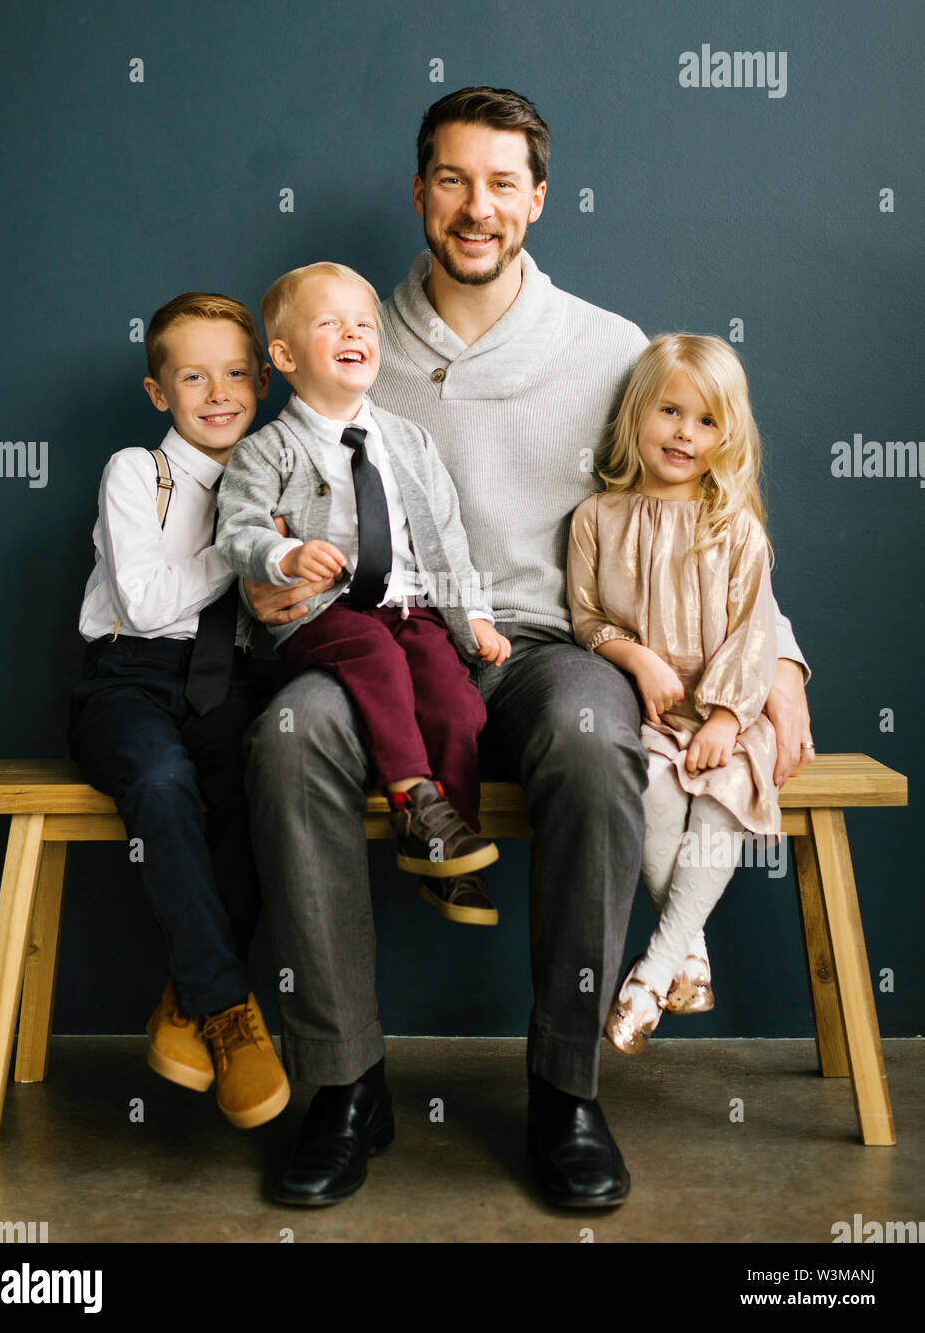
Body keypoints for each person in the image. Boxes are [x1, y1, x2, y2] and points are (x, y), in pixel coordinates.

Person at [240, 88, 815, 1209]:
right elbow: (257, 491)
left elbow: (695, 507)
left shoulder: (604, 346)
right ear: (418, 192)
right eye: (451, 179)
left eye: (502, 183)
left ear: (537, 200)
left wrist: (781, 659)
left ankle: (567, 1088)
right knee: (284, 731)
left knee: (597, 733)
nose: (475, 206)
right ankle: (344, 1085)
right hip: (383, 640)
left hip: (550, 645)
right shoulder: (345, 337)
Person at [215, 261, 510, 930]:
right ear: (285, 355)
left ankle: (451, 848)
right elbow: (238, 530)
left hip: (411, 605)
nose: (356, 333)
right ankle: (413, 803)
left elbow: (448, 540)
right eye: (331, 324)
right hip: (326, 612)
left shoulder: (409, 441)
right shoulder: (267, 453)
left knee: (456, 700)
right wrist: (285, 555)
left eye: (365, 323)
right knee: (374, 654)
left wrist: (477, 616)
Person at [67, 292, 290, 1130]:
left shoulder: (277, 473)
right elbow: (153, 602)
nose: (219, 391)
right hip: (129, 678)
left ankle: (188, 999)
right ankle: (232, 1015)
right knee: (161, 781)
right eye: (193, 377)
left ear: (264, 379)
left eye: (236, 372)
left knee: (257, 783)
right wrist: (246, 548)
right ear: (161, 393)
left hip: (230, 681)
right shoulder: (137, 471)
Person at [567, 333, 783, 1053]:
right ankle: (689, 956)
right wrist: (636, 660)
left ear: (728, 435)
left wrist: (725, 715)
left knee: (720, 791)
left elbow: (756, 632)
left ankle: (655, 970)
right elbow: (588, 619)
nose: (685, 433)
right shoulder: (598, 518)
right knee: (652, 787)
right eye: (669, 411)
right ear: (637, 415)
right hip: (655, 714)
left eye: (706, 421)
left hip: (734, 713)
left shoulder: (735, 527)